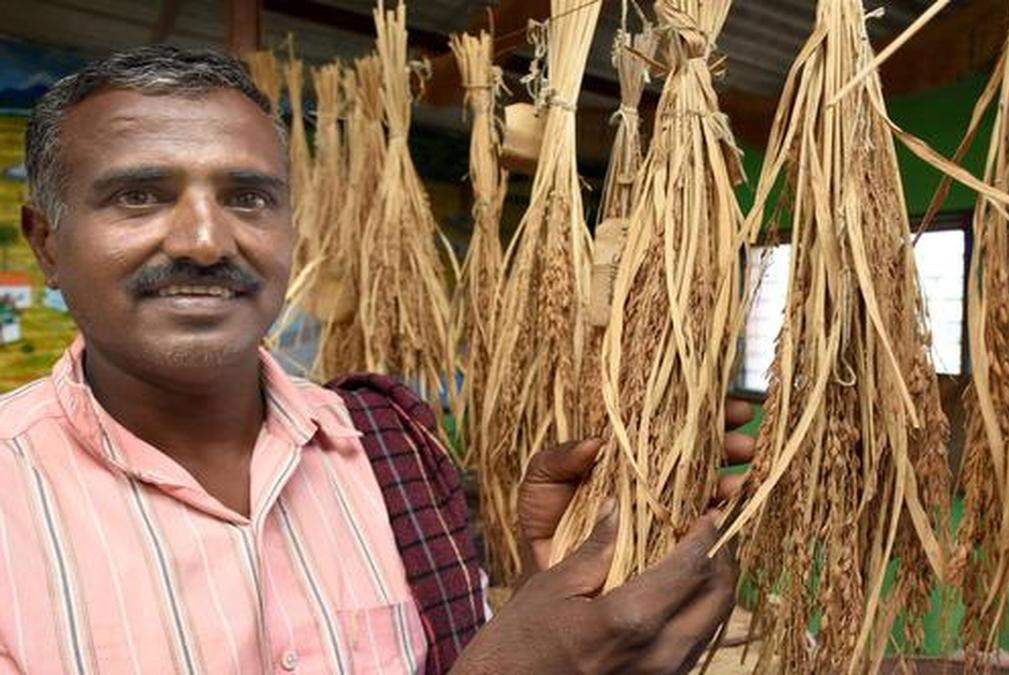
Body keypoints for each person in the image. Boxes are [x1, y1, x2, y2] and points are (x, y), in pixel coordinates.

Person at [0, 46, 756, 674]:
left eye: (249, 197)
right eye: (138, 196)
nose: (205, 239)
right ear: (46, 243)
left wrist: (545, 587)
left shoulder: (390, 447)